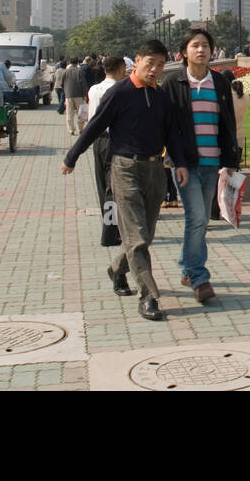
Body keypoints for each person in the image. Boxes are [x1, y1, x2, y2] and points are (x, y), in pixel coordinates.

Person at [63, 39, 188, 321]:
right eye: (150, 63)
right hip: (125, 169)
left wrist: (179, 163)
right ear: (137, 60)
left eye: (160, 64)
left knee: (143, 235)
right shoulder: (120, 93)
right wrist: (72, 156)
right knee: (138, 236)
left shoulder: (161, 97)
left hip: (155, 170)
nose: (155, 69)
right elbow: (94, 126)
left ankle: (117, 268)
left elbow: (171, 134)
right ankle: (149, 296)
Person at [160, 28, 241, 305]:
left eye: (205, 45)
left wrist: (230, 162)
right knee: (196, 218)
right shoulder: (173, 83)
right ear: (184, 52)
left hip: (212, 162)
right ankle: (198, 276)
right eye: (195, 45)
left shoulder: (218, 83)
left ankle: (186, 266)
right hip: (185, 165)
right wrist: (175, 160)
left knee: (201, 219)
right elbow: (167, 127)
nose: (201, 50)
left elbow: (227, 123)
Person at [87, 56, 128, 247]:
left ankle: (109, 223)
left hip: (98, 140)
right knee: (114, 186)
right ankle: (110, 232)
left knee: (102, 184)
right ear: (120, 69)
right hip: (115, 140)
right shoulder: (119, 90)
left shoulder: (93, 89)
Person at [63, 57, 87, 136]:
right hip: (79, 95)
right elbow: (83, 84)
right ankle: (81, 129)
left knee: (69, 113)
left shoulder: (66, 71)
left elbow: (62, 82)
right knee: (80, 113)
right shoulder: (79, 71)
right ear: (77, 63)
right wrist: (85, 94)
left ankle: (71, 129)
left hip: (68, 95)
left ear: (70, 62)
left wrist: (65, 91)